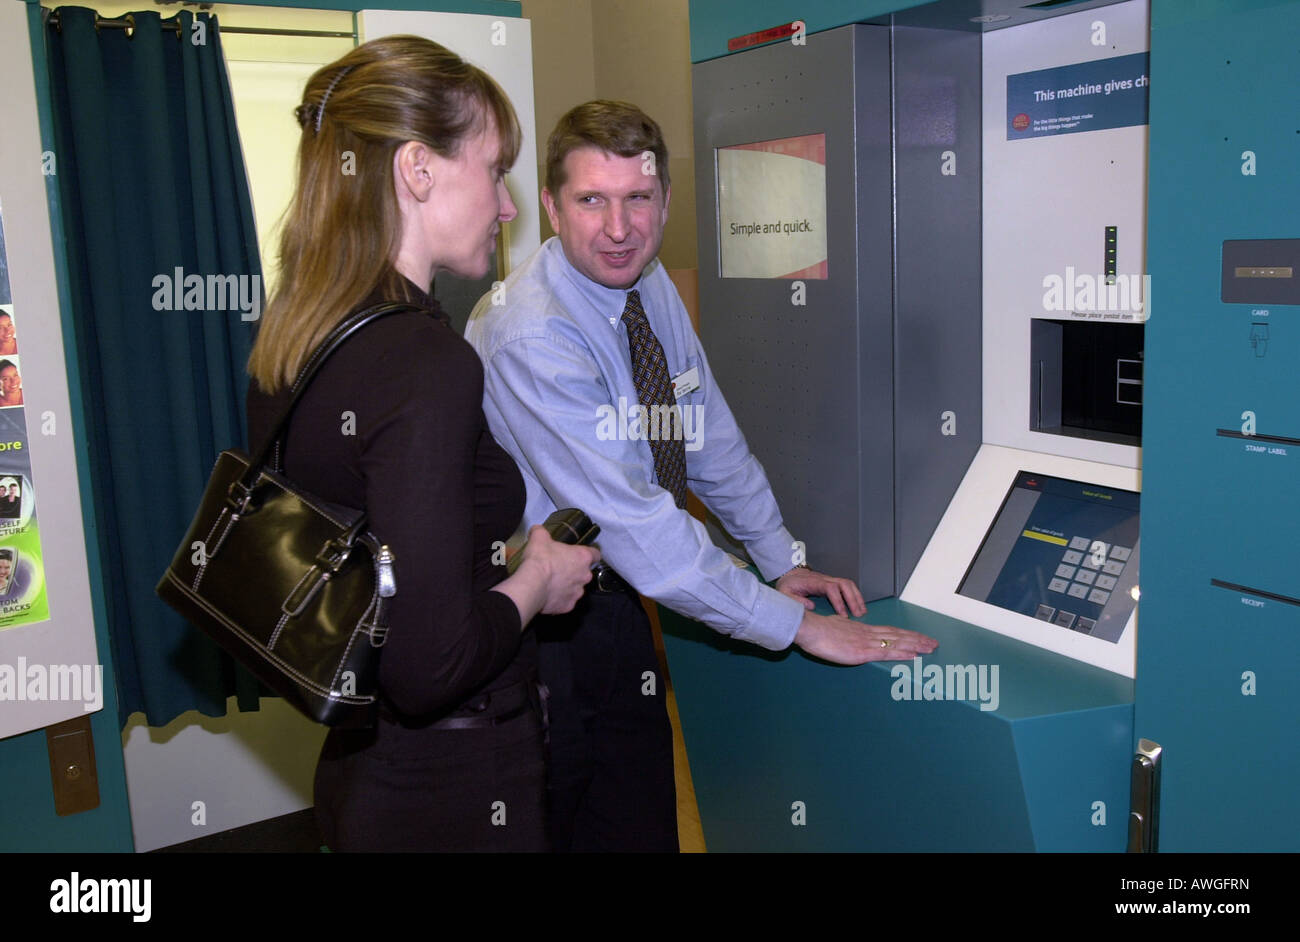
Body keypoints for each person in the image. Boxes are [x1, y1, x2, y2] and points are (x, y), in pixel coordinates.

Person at [466, 100, 939, 852]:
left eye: (637, 199)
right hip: (541, 628)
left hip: (618, 606)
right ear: (552, 208)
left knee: (641, 821)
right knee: (556, 825)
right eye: (591, 200)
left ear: (666, 201)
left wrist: (782, 560)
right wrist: (801, 629)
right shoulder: (533, 331)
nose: (618, 229)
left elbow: (708, 436)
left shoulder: (646, 286)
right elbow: (634, 523)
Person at [244, 37, 599, 852]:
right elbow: (430, 664)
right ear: (418, 169)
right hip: (456, 794)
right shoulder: (424, 362)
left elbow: (383, 569)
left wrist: (490, 569)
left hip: (360, 773)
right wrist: (539, 576)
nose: (508, 206)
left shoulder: (299, 333)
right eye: (494, 168)